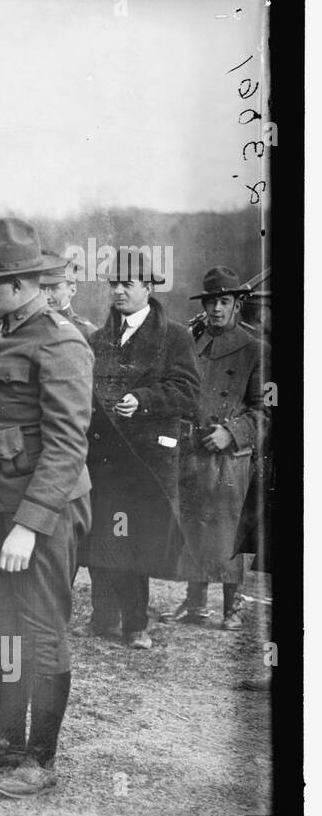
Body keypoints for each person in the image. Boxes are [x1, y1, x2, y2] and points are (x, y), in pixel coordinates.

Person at [0, 217, 94, 798]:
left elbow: (65, 446)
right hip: (0, 504)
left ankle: (41, 758)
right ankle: (6, 741)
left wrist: (29, 528)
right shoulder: (4, 333)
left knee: (43, 629)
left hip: (46, 512)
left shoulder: (60, 340)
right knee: (6, 627)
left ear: (16, 282)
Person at [83, 252, 199, 649]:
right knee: (103, 534)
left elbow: (187, 391)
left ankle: (136, 624)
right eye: (113, 283)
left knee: (135, 540)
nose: (118, 290)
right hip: (104, 457)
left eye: (127, 284)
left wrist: (143, 400)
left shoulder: (174, 337)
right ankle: (102, 616)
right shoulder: (98, 339)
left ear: (147, 288)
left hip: (146, 460)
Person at [165, 267, 270, 630]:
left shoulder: (256, 349)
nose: (216, 309)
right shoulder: (189, 342)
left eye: (224, 301)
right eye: (211, 302)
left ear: (238, 303)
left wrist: (233, 432)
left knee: (227, 528)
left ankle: (232, 605)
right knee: (193, 524)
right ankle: (194, 603)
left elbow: (265, 410)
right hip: (192, 447)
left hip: (228, 455)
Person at [39, 256, 96, 338]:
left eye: (54, 288)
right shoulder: (27, 328)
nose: (46, 296)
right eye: (42, 288)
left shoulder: (86, 331)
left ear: (72, 290)